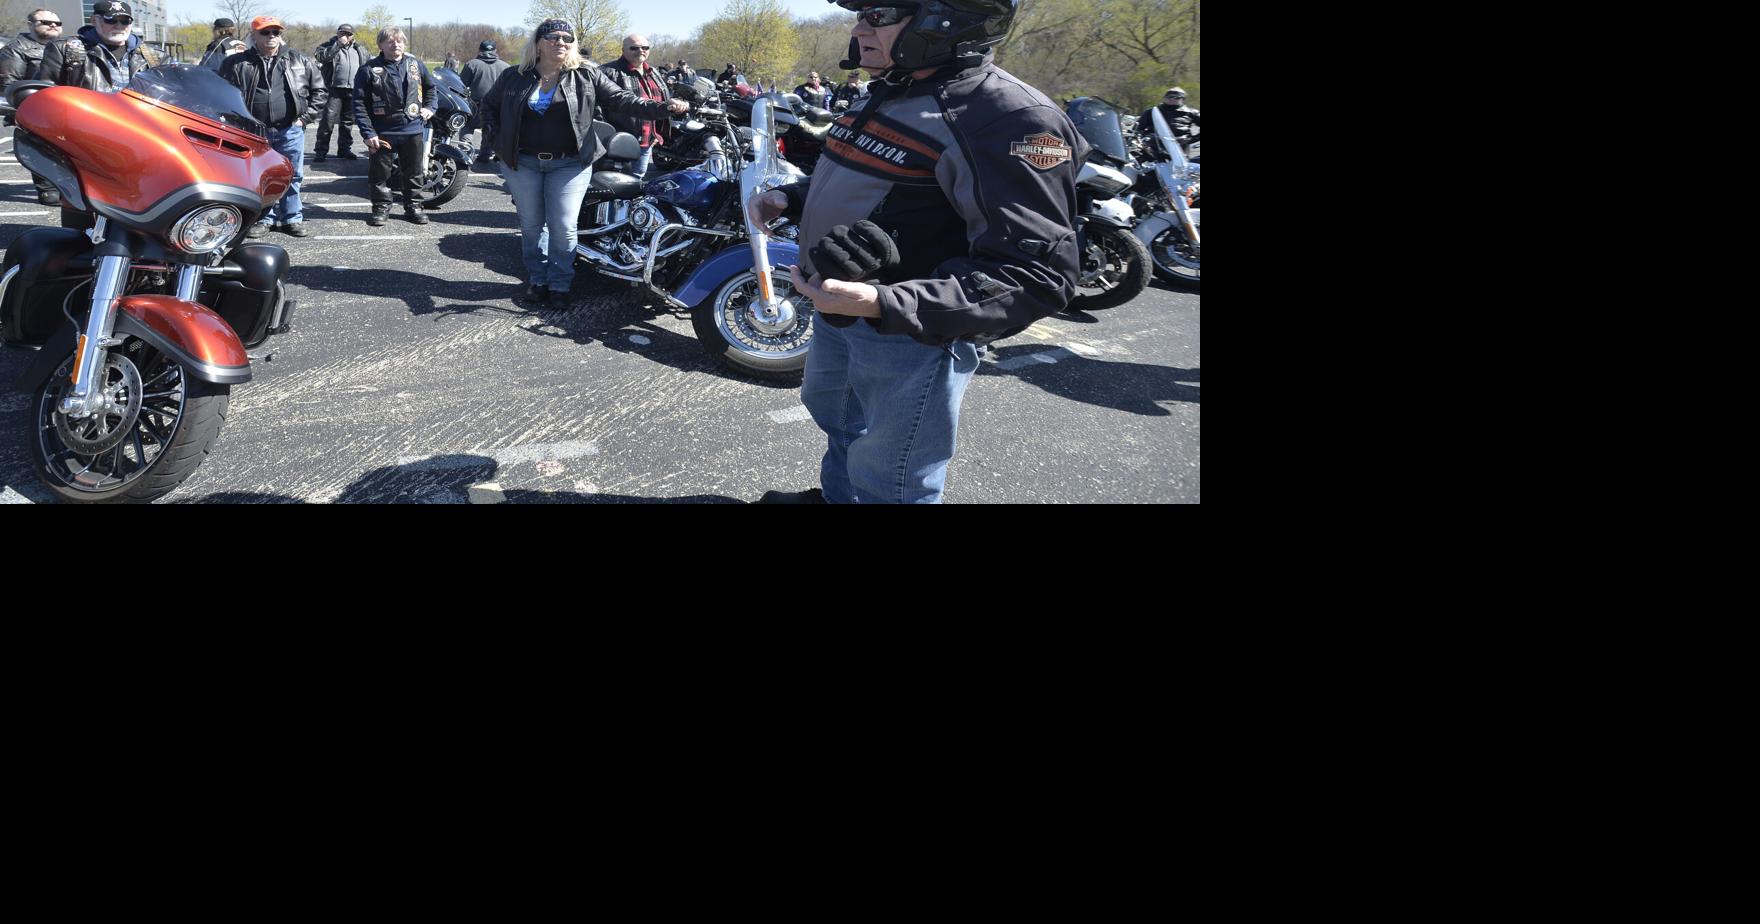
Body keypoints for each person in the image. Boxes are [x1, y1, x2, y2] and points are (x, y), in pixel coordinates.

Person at [749, 0, 1082, 504]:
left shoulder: (1007, 118)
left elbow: (1037, 275)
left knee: (894, 472)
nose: (859, 27)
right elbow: (882, 181)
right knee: (841, 426)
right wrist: (792, 197)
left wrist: (883, 303)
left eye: (878, 14)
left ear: (945, 19)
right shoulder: (892, 89)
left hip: (909, 334)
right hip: (838, 308)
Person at [480, 18, 688, 304]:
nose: (561, 43)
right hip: (523, 163)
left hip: (570, 164)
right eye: (553, 37)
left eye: (567, 39)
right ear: (538, 43)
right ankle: (538, 280)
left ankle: (560, 285)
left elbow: (623, 100)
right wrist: (496, 142)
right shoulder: (514, 76)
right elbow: (488, 106)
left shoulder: (586, 76)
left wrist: (663, 107)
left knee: (564, 226)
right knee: (531, 225)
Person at [219, 16, 326, 238]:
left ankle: (291, 218)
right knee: (261, 177)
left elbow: (320, 92)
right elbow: (222, 95)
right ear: (253, 35)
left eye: (275, 32)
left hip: (290, 129)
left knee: (293, 175)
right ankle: (264, 219)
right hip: (254, 134)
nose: (271, 37)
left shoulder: (299, 60)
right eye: (265, 32)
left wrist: (304, 119)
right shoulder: (236, 63)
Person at [353, 26, 437, 227]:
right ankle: (381, 208)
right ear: (381, 45)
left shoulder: (416, 65)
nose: (396, 44)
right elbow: (358, 104)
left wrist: (430, 107)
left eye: (399, 40)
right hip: (383, 133)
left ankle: (414, 207)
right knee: (380, 175)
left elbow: (431, 88)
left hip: (413, 130)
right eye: (390, 41)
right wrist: (368, 132)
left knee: (414, 172)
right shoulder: (368, 70)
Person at [0, 9, 64, 205]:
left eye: (57, 23)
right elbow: (8, 86)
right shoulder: (16, 49)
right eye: (45, 21)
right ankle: (47, 189)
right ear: (30, 24)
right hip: (36, 113)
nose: (53, 25)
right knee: (42, 152)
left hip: (65, 110)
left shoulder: (67, 47)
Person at [35, 1, 157, 94]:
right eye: (111, 20)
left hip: (139, 123)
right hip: (86, 124)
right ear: (94, 21)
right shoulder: (64, 49)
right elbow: (47, 93)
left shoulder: (154, 55)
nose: (119, 26)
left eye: (125, 21)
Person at [597, 33, 670, 179]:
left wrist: (657, 134)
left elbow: (661, 103)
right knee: (610, 187)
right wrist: (606, 137)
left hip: (646, 142)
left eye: (645, 47)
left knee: (635, 184)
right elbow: (596, 110)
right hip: (616, 144)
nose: (641, 50)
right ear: (623, 50)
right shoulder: (606, 72)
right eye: (634, 48)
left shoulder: (653, 72)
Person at [313, 24, 368, 161]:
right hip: (333, 89)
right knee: (328, 121)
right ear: (337, 33)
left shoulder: (360, 49)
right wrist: (337, 44)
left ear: (353, 35)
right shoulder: (328, 45)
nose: (345, 36)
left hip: (353, 89)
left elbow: (367, 66)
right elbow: (321, 57)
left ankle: (344, 149)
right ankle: (321, 151)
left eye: (348, 34)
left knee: (348, 122)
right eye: (342, 33)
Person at [458, 39, 510, 168]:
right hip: (497, 105)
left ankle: (465, 152)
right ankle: (484, 155)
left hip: (475, 103)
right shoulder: (505, 66)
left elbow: (461, 85)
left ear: (480, 50)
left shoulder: (472, 64)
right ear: (495, 51)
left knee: (468, 127)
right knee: (489, 130)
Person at [1139, 86, 1199, 152]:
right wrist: (1146, 138)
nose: (1172, 99)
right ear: (1164, 98)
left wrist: (1190, 139)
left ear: (1182, 99)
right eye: (1169, 97)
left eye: (1176, 97)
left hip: (1180, 150)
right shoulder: (1152, 111)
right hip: (1155, 147)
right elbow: (1138, 129)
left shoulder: (1191, 113)